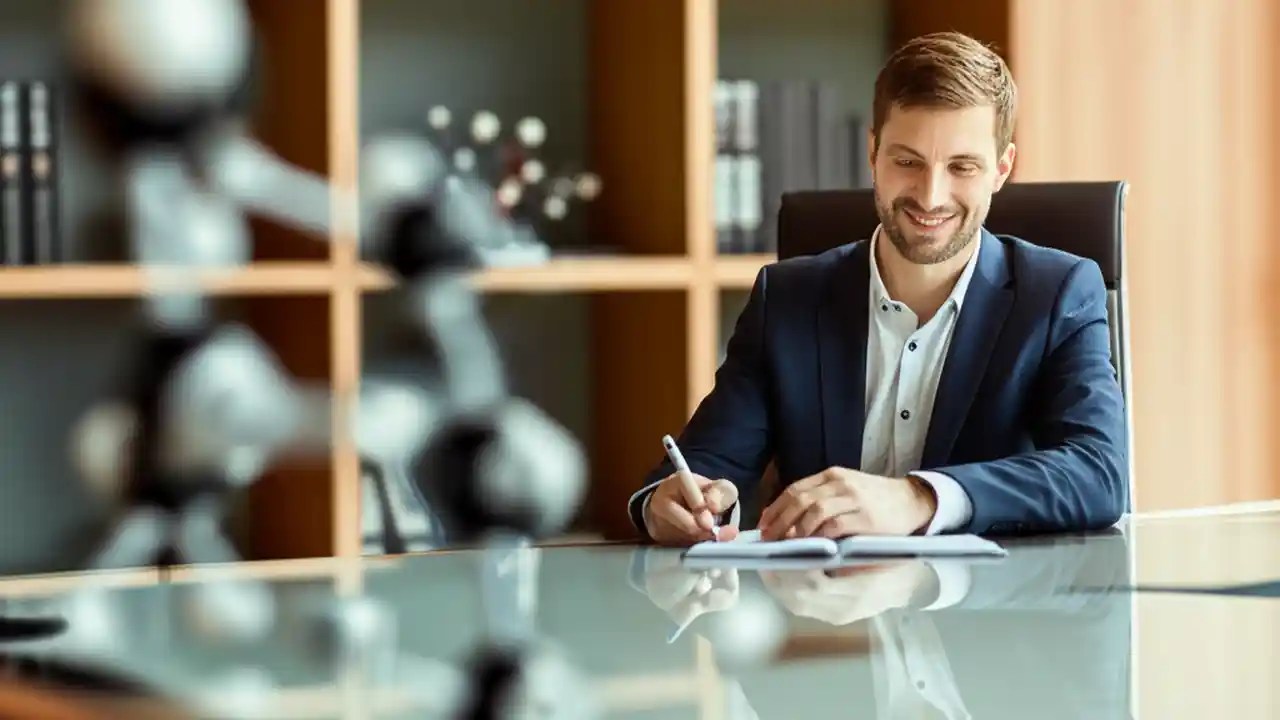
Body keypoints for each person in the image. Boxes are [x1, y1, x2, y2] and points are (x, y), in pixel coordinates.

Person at [631, 31, 1128, 546]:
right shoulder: (786, 299)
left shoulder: (1059, 293)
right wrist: (670, 504)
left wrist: (919, 496)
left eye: (962, 167)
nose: (931, 197)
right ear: (873, 153)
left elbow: (1097, 473)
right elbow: (706, 465)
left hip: (989, 616)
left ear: (1001, 169)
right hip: (829, 615)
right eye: (907, 162)